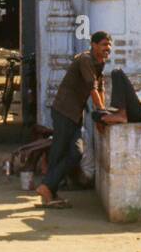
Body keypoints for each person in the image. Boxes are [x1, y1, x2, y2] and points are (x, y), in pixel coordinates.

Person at [36, 30, 112, 207]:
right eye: (103, 45)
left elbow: (100, 88)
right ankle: (49, 192)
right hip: (64, 111)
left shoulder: (99, 62)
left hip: (76, 114)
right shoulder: (85, 60)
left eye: (109, 45)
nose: (107, 48)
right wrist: (101, 111)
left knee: (75, 153)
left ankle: (48, 188)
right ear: (93, 45)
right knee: (60, 153)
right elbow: (92, 88)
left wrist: (102, 112)